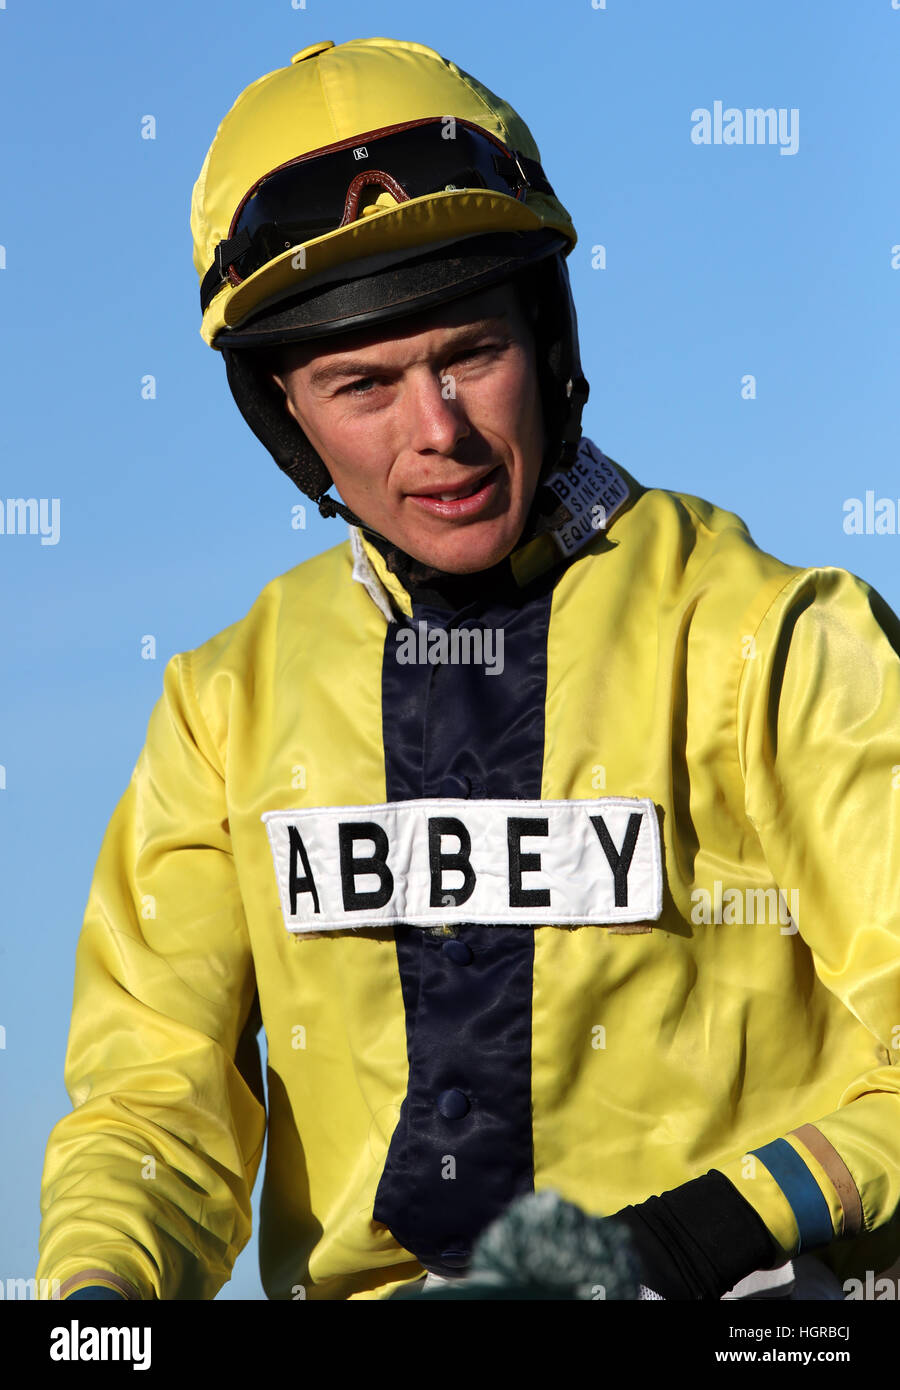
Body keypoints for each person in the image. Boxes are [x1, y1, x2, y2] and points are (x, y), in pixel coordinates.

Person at [36, 36, 900, 1302]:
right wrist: (95, 1303)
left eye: (468, 355)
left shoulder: (777, 642)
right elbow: (152, 1103)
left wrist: (678, 1243)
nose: (435, 431)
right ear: (288, 417)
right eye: (363, 384)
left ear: (545, 336)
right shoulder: (223, 706)